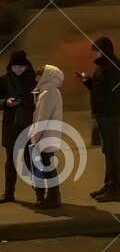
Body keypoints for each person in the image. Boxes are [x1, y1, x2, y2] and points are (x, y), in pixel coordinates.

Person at [81, 36, 120, 202]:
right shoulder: (107, 67)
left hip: (109, 116)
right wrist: (88, 82)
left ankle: (114, 189)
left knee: (112, 152)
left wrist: (111, 110)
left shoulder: (111, 69)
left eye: (95, 51)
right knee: (109, 151)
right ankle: (109, 185)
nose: (93, 55)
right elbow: (102, 91)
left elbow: (114, 94)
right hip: (107, 115)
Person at [27, 64, 63, 208]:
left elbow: (42, 118)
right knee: (49, 166)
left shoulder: (48, 92)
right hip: (49, 134)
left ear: (46, 76)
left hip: (45, 136)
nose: (36, 78)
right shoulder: (52, 90)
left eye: (39, 75)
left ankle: (54, 197)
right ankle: (54, 196)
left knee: (48, 167)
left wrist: (35, 139)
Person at [1, 52, 35, 203]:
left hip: (28, 124)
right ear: (10, 66)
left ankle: (40, 194)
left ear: (26, 66)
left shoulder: (33, 80)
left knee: (31, 159)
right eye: (15, 67)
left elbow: (37, 101)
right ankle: (9, 193)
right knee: (11, 161)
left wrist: (22, 102)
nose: (18, 70)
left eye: (21, 67)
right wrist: (5, 103)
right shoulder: (3, 80)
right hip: (11, 124)